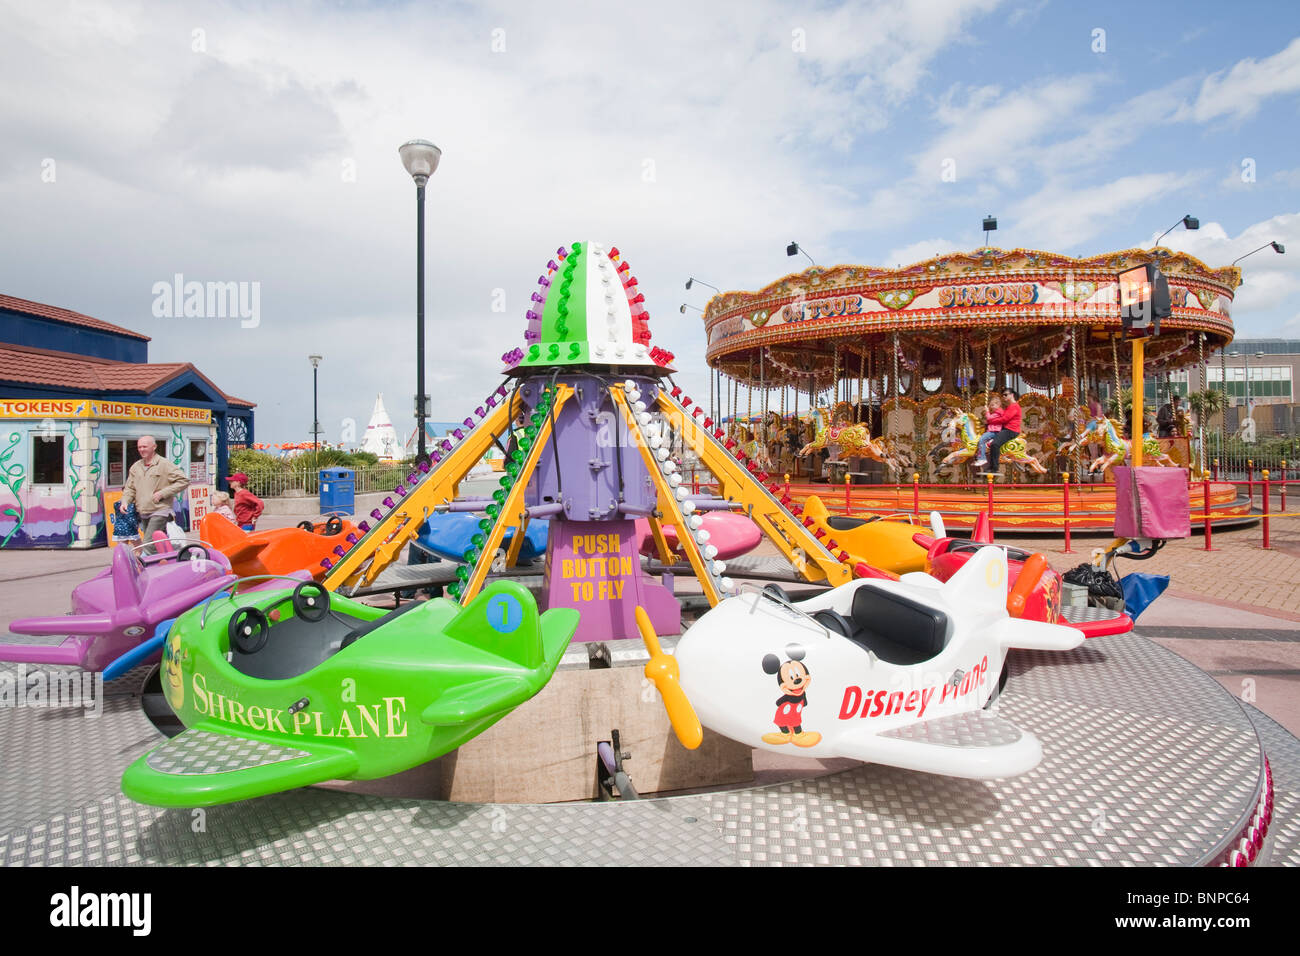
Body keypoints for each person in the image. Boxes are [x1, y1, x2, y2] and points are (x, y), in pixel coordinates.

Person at [119, 436, 189, 555]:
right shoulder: (136, 467)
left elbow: (184, 480)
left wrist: (163, 493)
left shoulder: (164, 464)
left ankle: (144, 567)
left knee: (148, 544)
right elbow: (129, 488)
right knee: (159, 543)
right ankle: (179, 556)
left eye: (144, 446)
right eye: (139, 447)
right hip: (143, 511)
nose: (141, 449)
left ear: (154, 447)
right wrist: (125, 501)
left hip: (160, 510)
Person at [985, 388, 1023, 473]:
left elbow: (1004, 419)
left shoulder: (1014, 406)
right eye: (1003, 395)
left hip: (1011, 430)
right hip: (1005, 429)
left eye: (1006, 394)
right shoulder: (1009, 407)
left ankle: (994, 468)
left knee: (994, 444)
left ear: (1012, 395)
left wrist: (990, 420)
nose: (1004, 396)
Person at [971, 394, 1004, 469]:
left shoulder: (998, 413)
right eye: (990, 405)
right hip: (993, 431)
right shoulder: (997, 413)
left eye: (992, 405)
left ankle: (982, 458)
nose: (991, 407)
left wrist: (987, 411)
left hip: (994, 431)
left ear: (998, 404)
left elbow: (989, 418)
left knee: (981, 439)